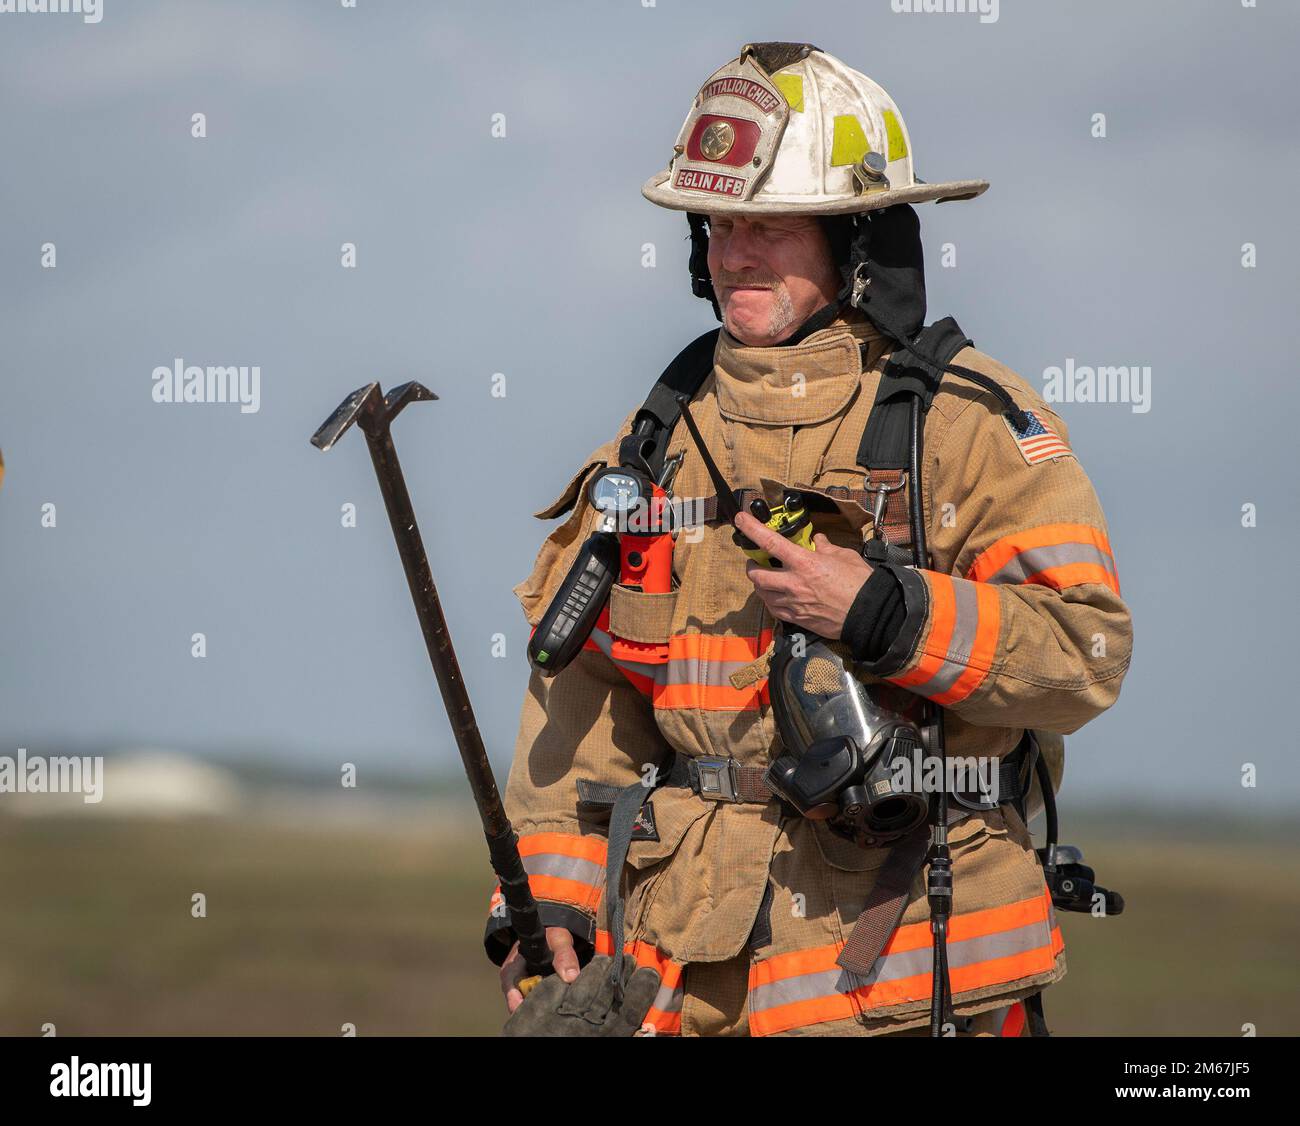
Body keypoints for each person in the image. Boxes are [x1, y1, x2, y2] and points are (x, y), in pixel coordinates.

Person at [487, 42, 1132, 1037]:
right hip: (682, 978)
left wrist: (888, 614)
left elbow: (1084, 657)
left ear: (858, 243)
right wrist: (552, 902)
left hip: (910, 983)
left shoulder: (966, 426)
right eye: (716, 226)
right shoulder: (657, 442)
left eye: (768, 226)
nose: (733, 252)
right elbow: (580, 703)